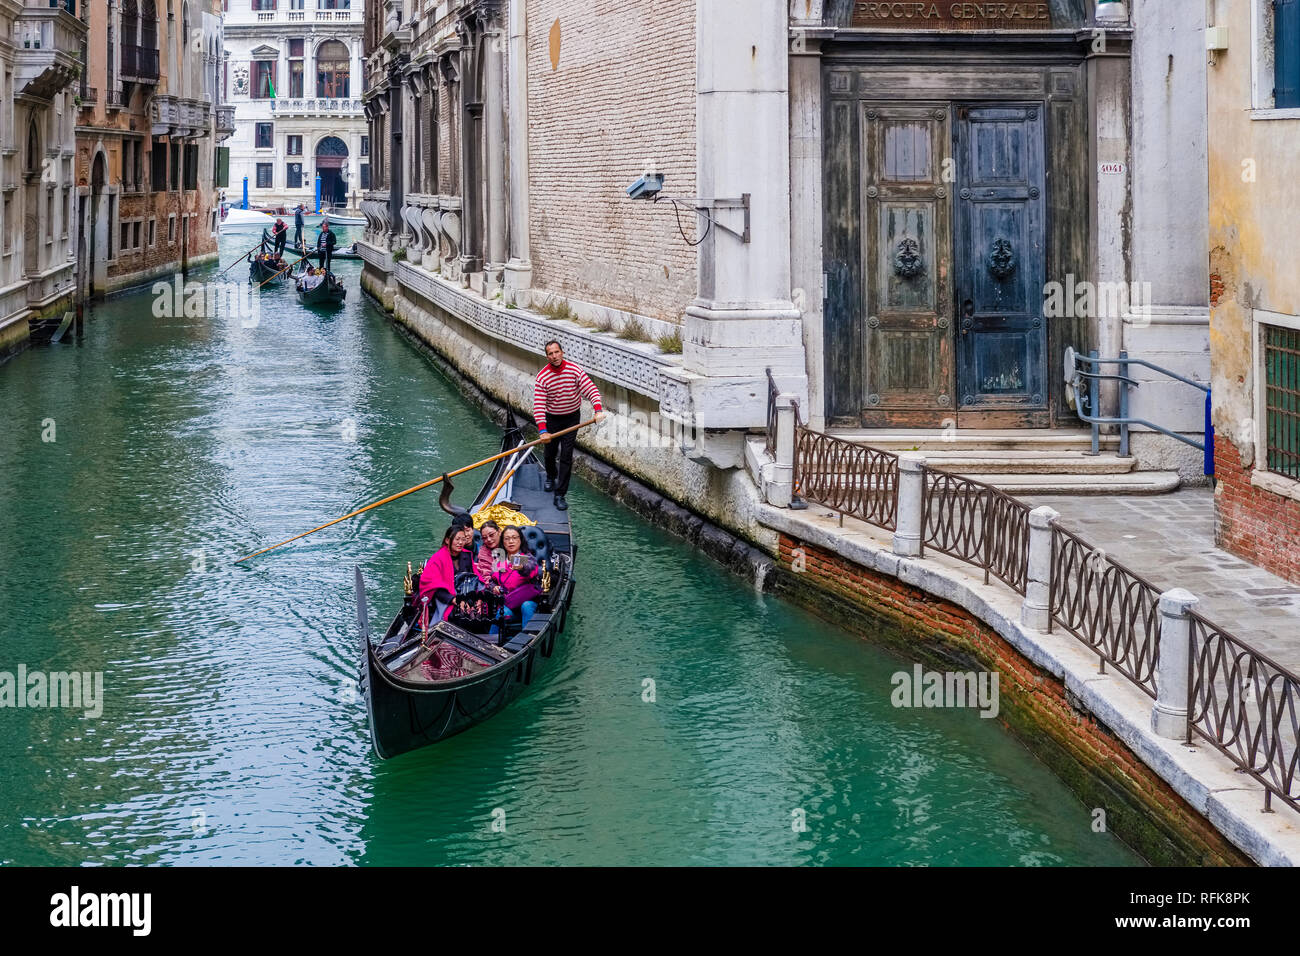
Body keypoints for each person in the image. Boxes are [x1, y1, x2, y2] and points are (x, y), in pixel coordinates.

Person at [533, 340, 605, 511]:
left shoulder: (574, 370)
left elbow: (591, 390)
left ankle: (560, 494)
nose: (554, 356)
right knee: (550, 453)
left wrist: (598, 409)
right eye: (550, 354)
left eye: (557, 352)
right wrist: (543, 430)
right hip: (552, 419)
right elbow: (538, 406)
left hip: (572, 418)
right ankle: (550, 476)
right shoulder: (542, 377)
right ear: (547, 356)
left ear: (562, 352)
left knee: (566, 456)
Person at [415, 514, 476, 620]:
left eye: (462, 539)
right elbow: (434, 588)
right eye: (457, 539)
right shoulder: (437, 560)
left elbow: (473, 579)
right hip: (444, 600)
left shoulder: (467, 555)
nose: (461, 543)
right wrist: (455, 600)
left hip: (466, 596)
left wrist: (472, 601)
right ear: (448, 540)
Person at [487, 526, 542, 632]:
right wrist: (494, 587)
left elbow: (529, 569)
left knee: (526, 606)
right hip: (509, 604)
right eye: (507, 538)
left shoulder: (527, 558)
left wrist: (521, 567)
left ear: (520, 540)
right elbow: (491, 582)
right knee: (503, 612)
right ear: (503, 542)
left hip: (527, 603)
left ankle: (527, 638)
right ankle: (490, 643)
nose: (511, 541)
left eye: (514, 538)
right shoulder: (499, 561)